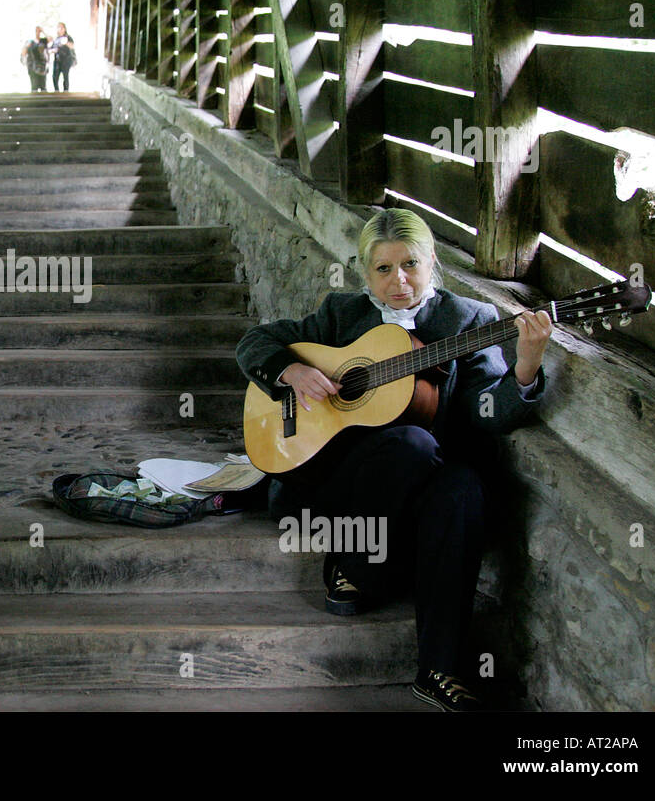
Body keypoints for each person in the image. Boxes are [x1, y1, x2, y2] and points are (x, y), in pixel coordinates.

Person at [235, 207, 553, 711]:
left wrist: (526, 369)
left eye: (410, 264)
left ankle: (439, 669)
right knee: (412, 445)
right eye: (383, 269)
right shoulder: (342, 315)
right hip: (331, 484)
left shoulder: (468, 321)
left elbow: (485, 410)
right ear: (366, 274)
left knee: (462, 485)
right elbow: (255, 341)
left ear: (431, 262)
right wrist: (290, 371)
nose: (398, 281)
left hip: (423, 478)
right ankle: (356, 563)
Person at [48, 22, 76, 92]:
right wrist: (53, 50)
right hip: (57, 60)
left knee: (65, 77)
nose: (60, 29)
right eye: (58, 27)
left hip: (66, 60)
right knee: (55, 77)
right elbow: (50, 49)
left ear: (64, 29)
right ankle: (56, 91)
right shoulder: (56, 39)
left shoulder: (68, 37)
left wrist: (66, 43)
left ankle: (66, 91)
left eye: (61, 27)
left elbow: (72, 46)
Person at [21, 27, 49, 92]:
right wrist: (27, 46)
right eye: (36, 31)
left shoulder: (43, 41)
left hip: (42, 67)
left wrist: (43, 31)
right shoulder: (29, 42)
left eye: (39, 31)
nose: (38, 33)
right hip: (32, 67)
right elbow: (23, 53)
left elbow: (51, 40)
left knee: (43, 87)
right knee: (34, 87)